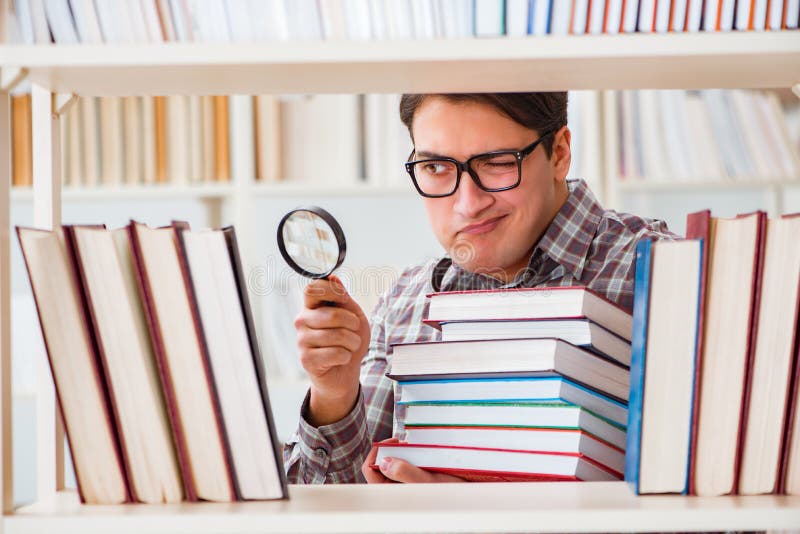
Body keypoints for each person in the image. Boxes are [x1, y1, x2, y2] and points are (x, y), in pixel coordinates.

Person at [283, 92, 677, 484]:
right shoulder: (405, 300)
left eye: (497, 163)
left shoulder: (664, 272)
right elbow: (330, 520)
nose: (467, 204)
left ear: (558, 153)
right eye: (436, 167)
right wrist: (333, 396)